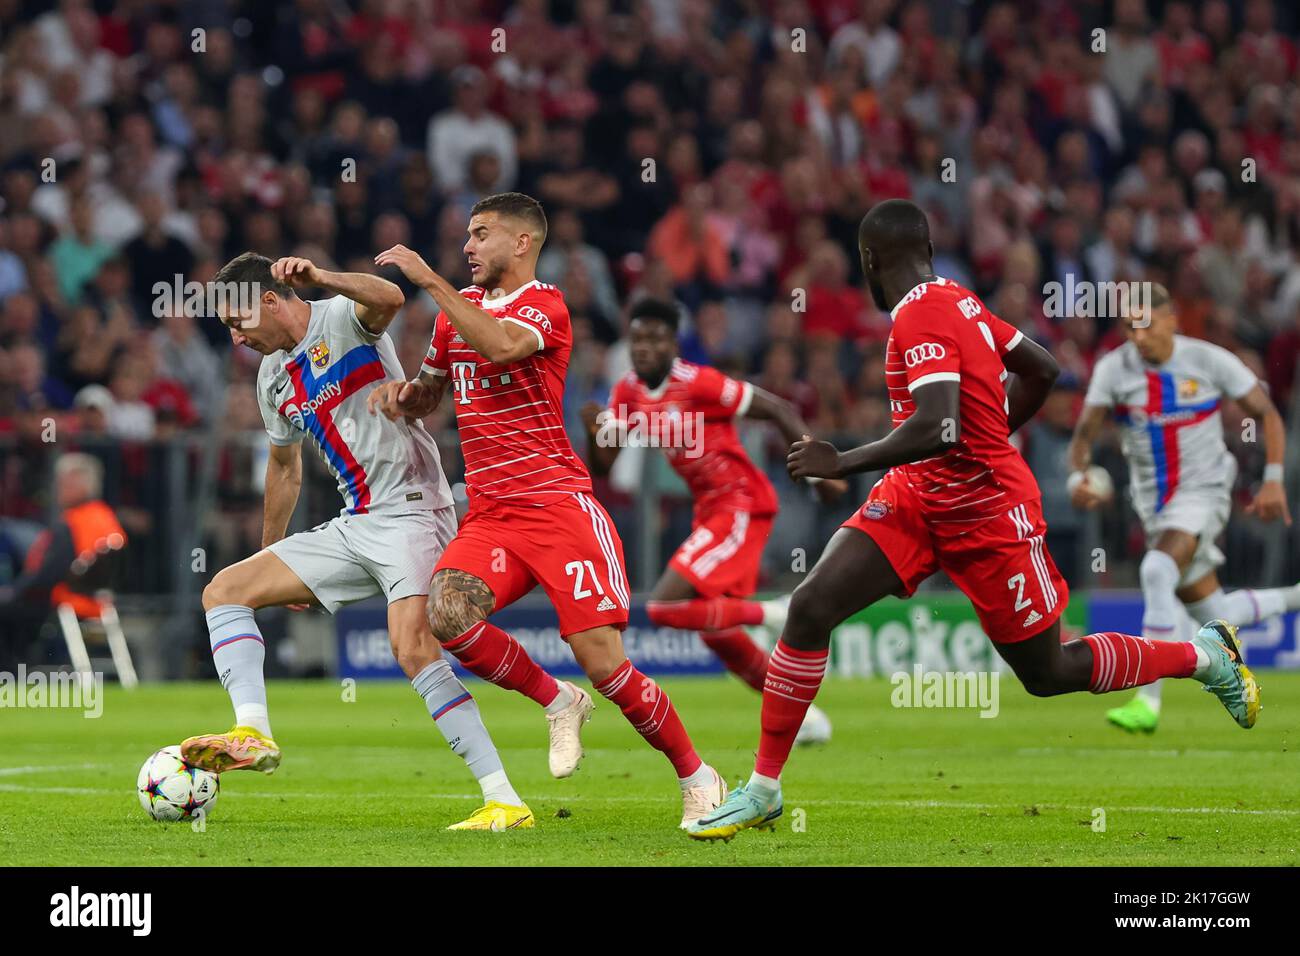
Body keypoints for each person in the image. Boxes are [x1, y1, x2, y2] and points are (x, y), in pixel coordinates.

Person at [686, 199, 1259, 842]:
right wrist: (993, 430)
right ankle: (763, 789)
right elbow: (1041, 369)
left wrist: (841, 460)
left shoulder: (923, 316)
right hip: (917, 498)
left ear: (871, 261)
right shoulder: (959, 299)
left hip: (989, 515)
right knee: (811, 606)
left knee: (1049, 673)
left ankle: (1203, 656)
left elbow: (938, 423)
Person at [370, 192, 727, 829]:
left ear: (522, 242)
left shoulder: (548, 305)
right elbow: (433, 389)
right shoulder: (456, 315)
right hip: (491, 513)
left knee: (605, 663)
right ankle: (557, 699)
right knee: (447, 615)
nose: (468, 247)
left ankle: (697, 775)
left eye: (481, 235)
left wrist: (429, 280)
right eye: (466, 237)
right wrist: (407, 395)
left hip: (559, 508)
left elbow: (504, 348)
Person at [182, 251, 534, 831]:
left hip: (413, 513)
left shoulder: (340, 318)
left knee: (412, 649)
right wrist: (271, 552)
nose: (236, 337)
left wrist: (320, 277)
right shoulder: (272, 378)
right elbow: (284, 468)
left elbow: (391, 298)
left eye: (238, 321)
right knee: (225, 590)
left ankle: (504, 799)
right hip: (358, 520)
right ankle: (254, 733)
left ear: (270, 299)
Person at [580, 296, 843, 743]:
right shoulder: (628, 392)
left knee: (664, 606)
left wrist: (816, 471)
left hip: (741, 503)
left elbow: (777, 408)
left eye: (655, 339)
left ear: (673, 345)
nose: (645, 347)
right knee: (717, 632)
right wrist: (595, 432)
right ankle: (805, 718)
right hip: (710, 511)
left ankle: (775, 611)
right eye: (638, 338)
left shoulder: (700, 383)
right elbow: (605, 465)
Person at [1068, 283, 1298, 733]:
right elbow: (1082, 439)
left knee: (1156, 570)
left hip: (1206, 491)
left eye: (1148, 325)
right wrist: (1080, 478)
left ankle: (1147, 701)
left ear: (1172, 318)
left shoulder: (1208, 359)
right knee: (1216, 613)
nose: (1139, 337)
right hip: (1156, 509)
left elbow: (1266, 413)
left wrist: (1273, 481)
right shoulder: (1114, 371)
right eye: (1131, 329)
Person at [0, 454, 124, 670]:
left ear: (79, 485)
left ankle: (12, 671)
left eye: (63, 484)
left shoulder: (73, 523)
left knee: (9, 610)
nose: (58, 490)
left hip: (68, 600)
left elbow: (50, 572)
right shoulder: (107, 518)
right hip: (101, 601)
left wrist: (15, 591)